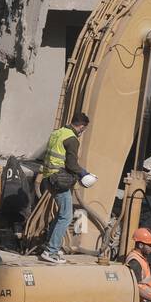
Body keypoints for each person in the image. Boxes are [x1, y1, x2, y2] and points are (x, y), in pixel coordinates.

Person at [39, 113, 95, 264]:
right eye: (84, 129)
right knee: (66, 216)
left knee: (61, 215)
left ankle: (49, 246)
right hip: (59, 181)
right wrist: (84, 173)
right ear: (82, 126)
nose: (83, 132)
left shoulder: (58, 133)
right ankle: (51, 252)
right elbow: (71, 165)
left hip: (47, 178)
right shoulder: (72, 139)